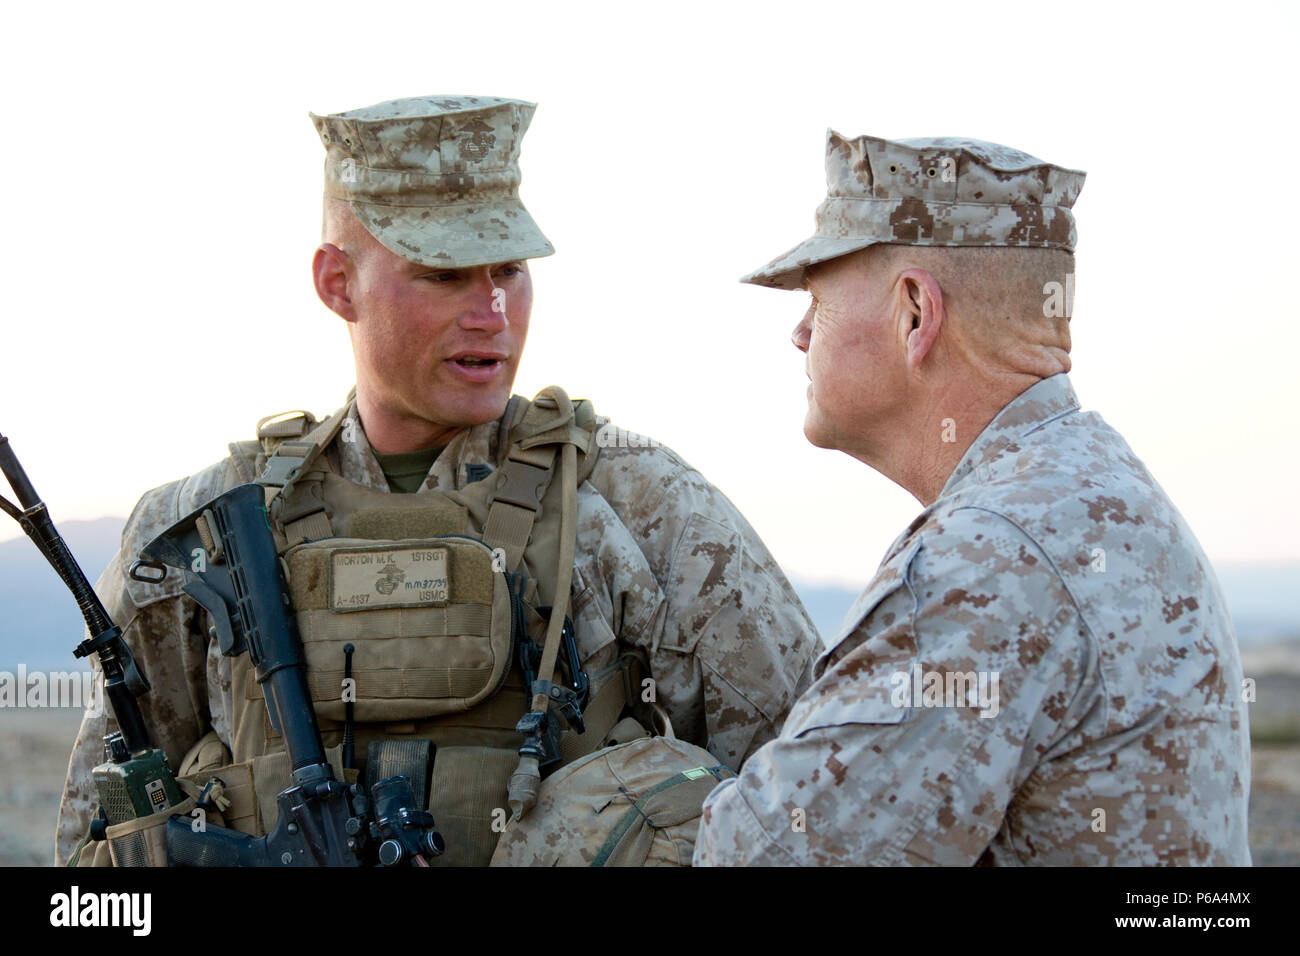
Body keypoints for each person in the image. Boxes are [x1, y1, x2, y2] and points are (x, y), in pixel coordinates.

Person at [56, 95, 818, 866]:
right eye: (446, 274)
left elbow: (815, 790)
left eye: (509, 271)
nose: (492, 312)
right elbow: (100, 851)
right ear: (337, 283)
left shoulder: (641, 504)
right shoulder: (202, 531)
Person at [693, 131, 1251, 866]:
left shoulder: (989, 557)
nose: (799, 334)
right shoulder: (1094, 491)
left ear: (915, 314)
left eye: (818, 297)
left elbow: (762, 858)